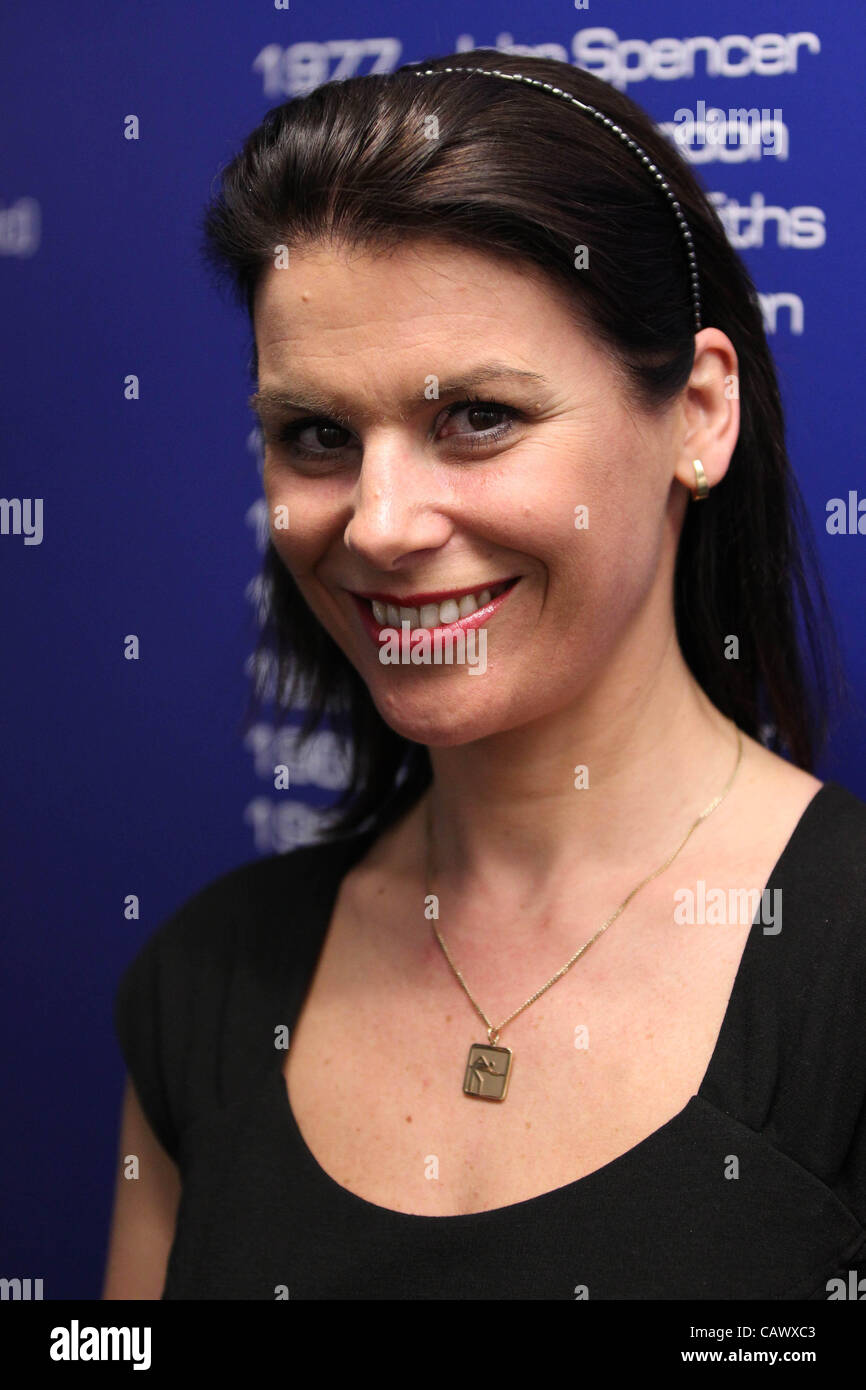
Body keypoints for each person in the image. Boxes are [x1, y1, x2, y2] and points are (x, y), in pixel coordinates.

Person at [102, 49, 866, 1300]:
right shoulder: (208, 987)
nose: (380, 523)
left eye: (476, 418)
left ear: (697, 414)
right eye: (316, 436)